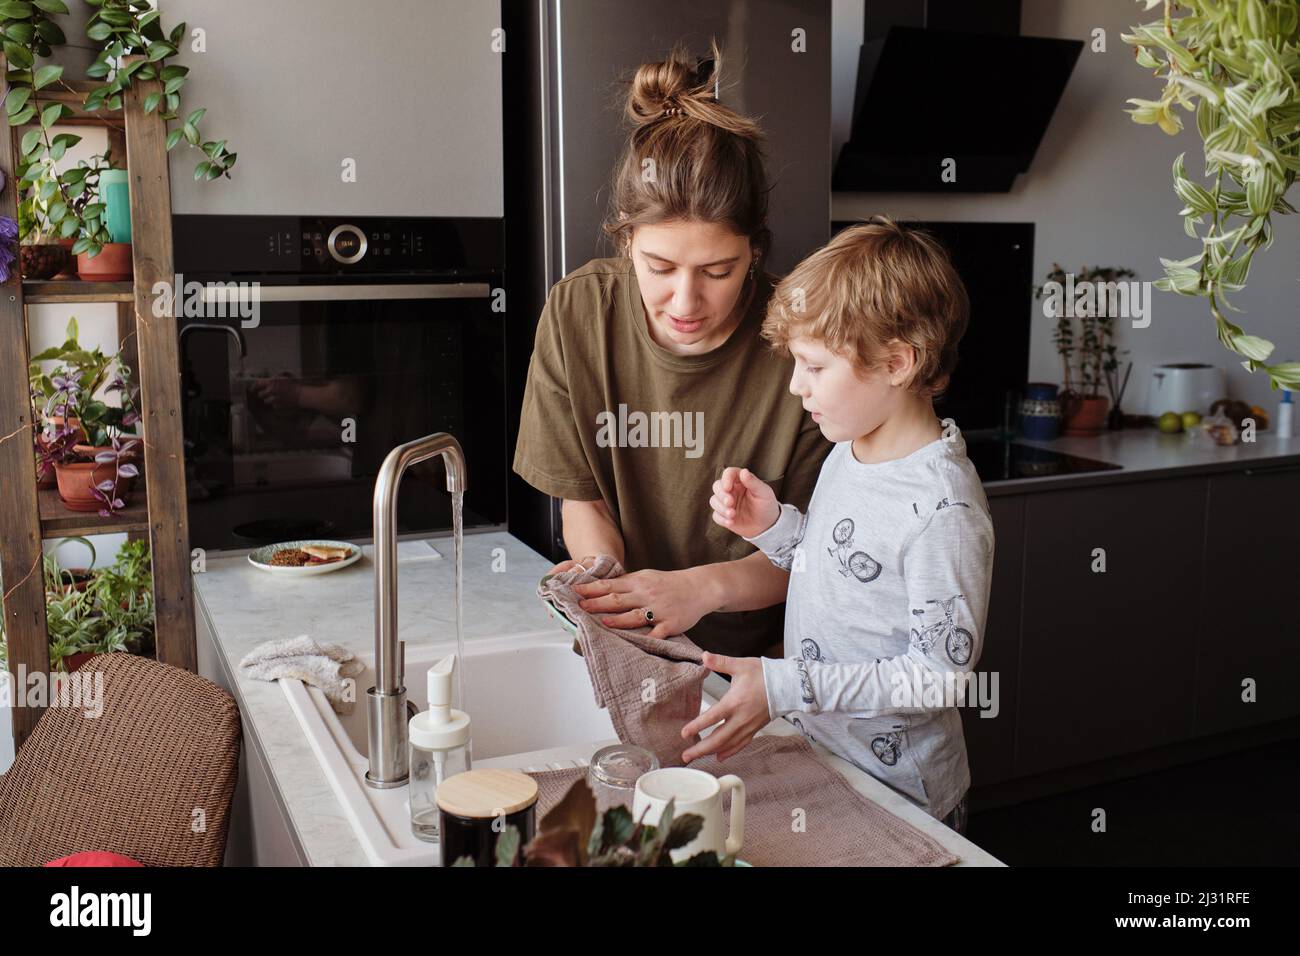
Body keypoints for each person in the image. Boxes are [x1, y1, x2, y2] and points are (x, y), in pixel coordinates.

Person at [512, 39, 830, 658]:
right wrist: (606, 580)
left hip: (757, 671)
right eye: (659, 267)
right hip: (628, 641)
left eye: (718, 272)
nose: (686, 303)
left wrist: (699, 589)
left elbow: (820, 552)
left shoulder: (803, 339)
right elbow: (583, 501)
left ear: (755, 253)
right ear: (626, 242)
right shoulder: (578, 312)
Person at [682, 218, 996, 832]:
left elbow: (938, 676)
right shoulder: (850, 449)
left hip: (904, 794)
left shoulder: (943, 508)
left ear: (897, 362)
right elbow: (845, 568)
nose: (796, 385)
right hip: (826, 760)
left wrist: (784, 685)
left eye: (815, 366)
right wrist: (773, 525)